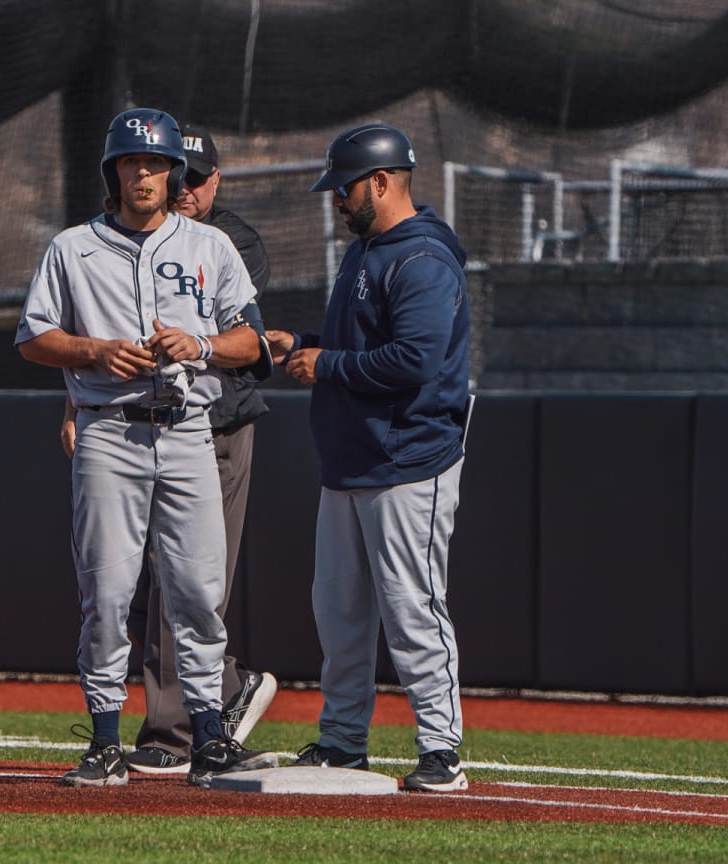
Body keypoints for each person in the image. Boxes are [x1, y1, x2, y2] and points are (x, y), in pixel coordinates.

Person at [16, 107, 279, 788]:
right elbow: (33, 337)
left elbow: (251, 343)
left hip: (189, 429)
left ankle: (210, 737)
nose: (145, 174)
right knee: (107, 591)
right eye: (133, 163)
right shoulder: (73, 247)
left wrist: (200, 345)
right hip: (110, 431)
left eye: (156, 164)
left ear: (174, 174)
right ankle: (105, 739)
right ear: (114, 171)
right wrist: (95, 351)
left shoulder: (211, 247)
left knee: (198, 591)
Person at [266, 123, 472, 792]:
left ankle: (441, 750)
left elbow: (414, 359)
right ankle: (343, 740)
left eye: (344, 188)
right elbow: (361, 341)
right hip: (350, 462)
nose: (335, 201)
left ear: (380, 183)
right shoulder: (370, 251)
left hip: (408, 458)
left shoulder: (422, 259)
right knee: (340, 612)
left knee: (414, 609)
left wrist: (327, 363)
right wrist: (302, 341)